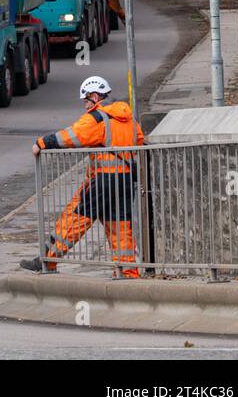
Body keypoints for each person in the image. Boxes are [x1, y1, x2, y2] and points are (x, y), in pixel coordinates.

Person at [21, 76, 145, 278]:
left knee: (73, 220)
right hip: (125, 180)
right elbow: (139, 141)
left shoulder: (96, 118)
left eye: (86, 100)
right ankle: (128, 271)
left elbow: (71, 136)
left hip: (102, 180)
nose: (85, 105)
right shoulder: (130, 120)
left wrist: (41, 143)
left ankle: (48, 261)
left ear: (95, 96)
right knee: (120, 226)